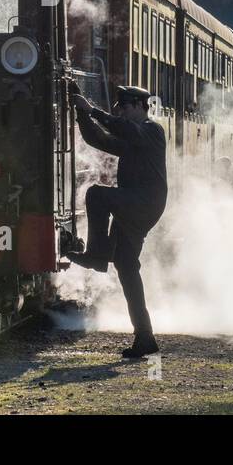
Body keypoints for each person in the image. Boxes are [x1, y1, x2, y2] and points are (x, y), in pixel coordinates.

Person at [65, 83, 168, 359]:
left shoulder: (151, 131)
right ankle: (145, 337)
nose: (120, 113)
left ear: (137, 106)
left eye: (123, 108)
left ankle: (97, 256)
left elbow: (125, 130)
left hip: (143, 203)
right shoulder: (134, 138)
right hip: (135, 205)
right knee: (126, 267)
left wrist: (93, 110)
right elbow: (99, 140)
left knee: (97, 195)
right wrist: (81, 114)